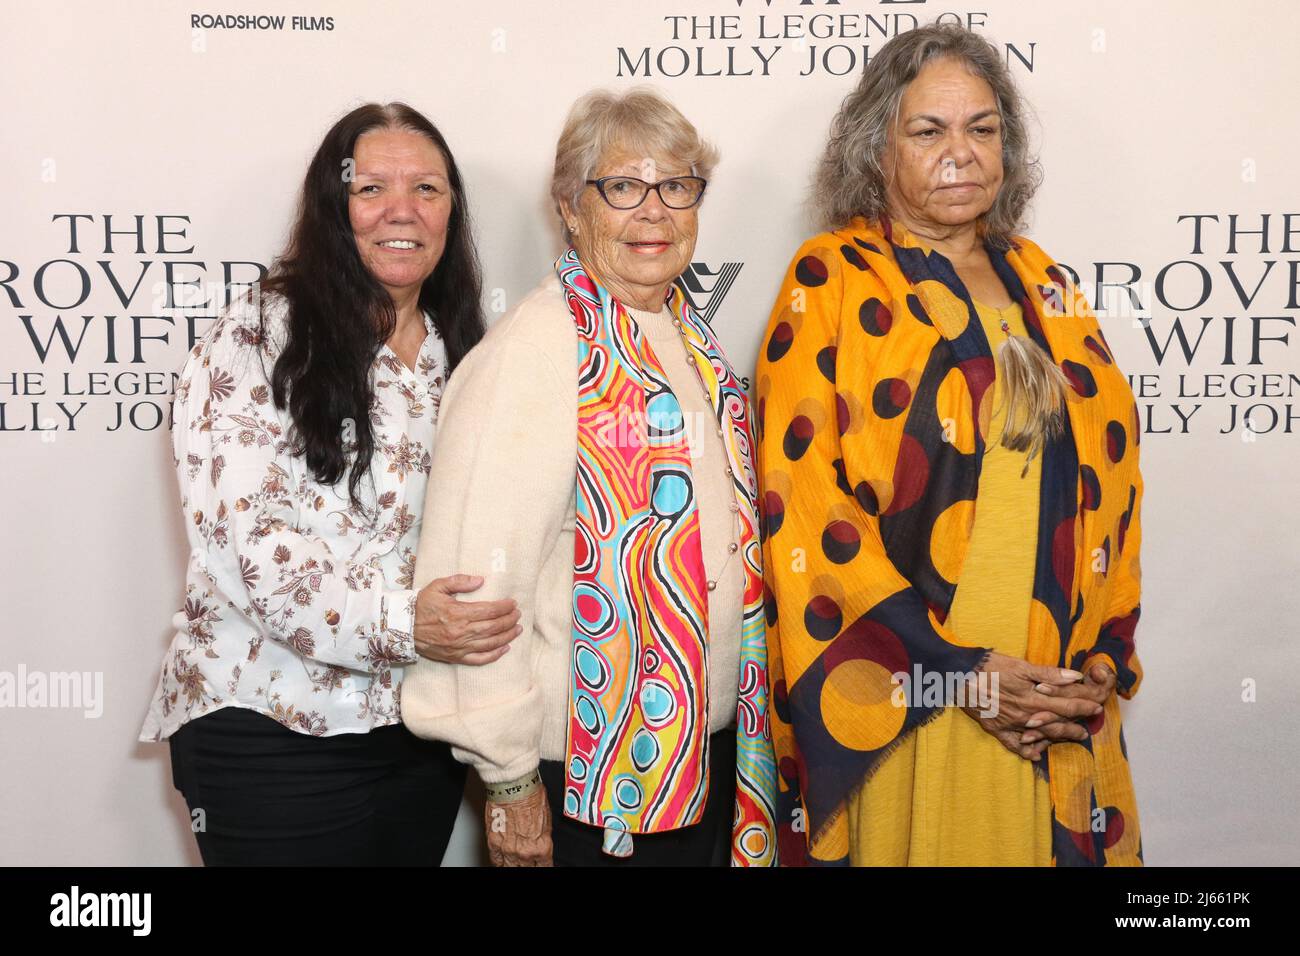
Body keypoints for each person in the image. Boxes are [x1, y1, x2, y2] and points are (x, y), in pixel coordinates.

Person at [757, 24, 1145, 866]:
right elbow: (804, 507)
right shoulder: (830, 278)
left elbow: (1116, 482)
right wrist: (956, 670)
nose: (960, 153)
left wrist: (1097, 666)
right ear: (876, 149)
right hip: (917, 684)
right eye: (928, 131)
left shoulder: (1047, 281)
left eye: (983, 128)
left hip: (1048, 690)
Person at [401, 87, 777, 867]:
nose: (654, 212)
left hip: (697, 757)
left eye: (676, 186)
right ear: (572, 207)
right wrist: (507, 784)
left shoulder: (686, 336)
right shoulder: (535, 352)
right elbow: (476, 582)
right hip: (581, 778)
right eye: (623, 188)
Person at [138, 102, 521, 866]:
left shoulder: (466, 349)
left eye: (428, 189)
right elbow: (254, 550)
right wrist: (406, 625)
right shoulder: (257, 335)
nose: (401, 211)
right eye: (371, 188)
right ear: (332, 205)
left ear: (452, 210)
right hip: (270, 732)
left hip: (417, 728)